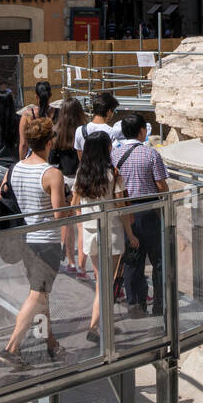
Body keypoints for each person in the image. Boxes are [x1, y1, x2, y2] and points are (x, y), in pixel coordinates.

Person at [0, 117, 68, 369]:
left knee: (41, 294)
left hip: (25, 240)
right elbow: (59, 214)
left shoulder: (13, 169)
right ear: (50, 142)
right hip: (46, 242)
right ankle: (12, 348)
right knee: (37, 294)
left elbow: (2, 198)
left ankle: (50, 343)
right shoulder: (53, 174)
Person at [112, 112, 169, 317]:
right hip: (150, 210)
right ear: (142, 131)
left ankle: (135, 305)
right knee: (158, 260)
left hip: (126, 211)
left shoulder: (115, 155)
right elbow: (161, 185)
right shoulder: (150, 154)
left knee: (133, 260)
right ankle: (160, 306)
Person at [73, 133, 125, 343]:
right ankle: (95, 327)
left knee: (100, 281)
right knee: (107, 282)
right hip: (111, 230)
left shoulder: (81, 173)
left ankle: (104, 323)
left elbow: (74, 203)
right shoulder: (112, 173)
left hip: (90, 231)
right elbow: (121, 204)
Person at [50, 97, 86, 276]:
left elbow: (52, 160)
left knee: (67, 222)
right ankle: (82, 264)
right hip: (81, 178)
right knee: (81, 223)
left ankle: (71, 261)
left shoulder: (57, 131)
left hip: (64, 179)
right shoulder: (84, 132)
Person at [18, 81, 53, 158]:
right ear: (50, 95)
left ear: (36, 96)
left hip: (33, 157)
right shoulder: (57, 113)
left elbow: (23, 144)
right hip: (53, 156)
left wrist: (21, 162)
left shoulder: (27, 115)